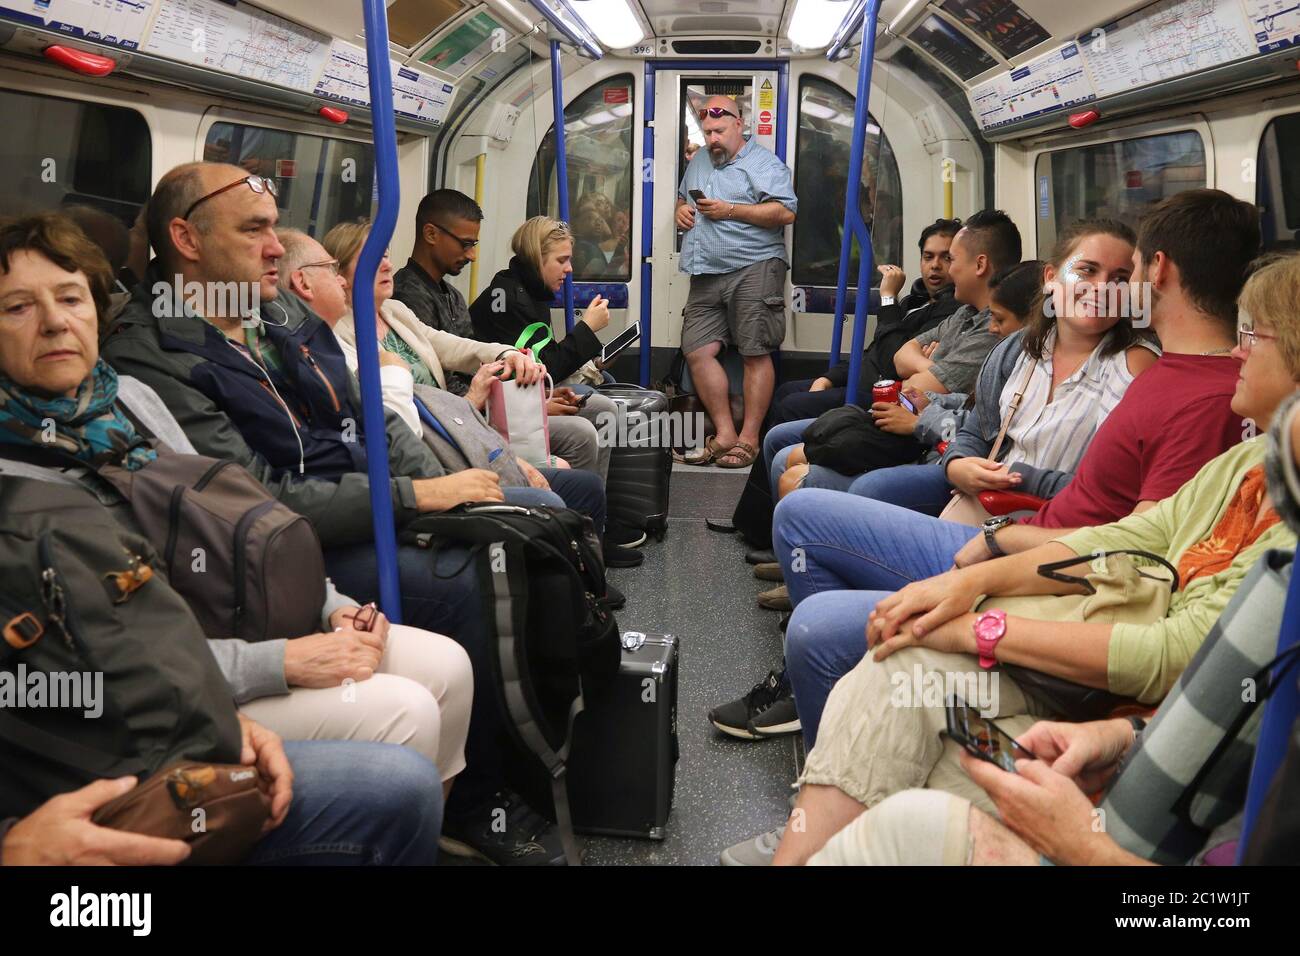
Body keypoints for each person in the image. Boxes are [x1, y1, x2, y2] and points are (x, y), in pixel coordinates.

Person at [99, 161, 568, 865]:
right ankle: (479, 799)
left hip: (351, 503)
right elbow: (252, 500)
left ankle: (547, 748)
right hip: (296, 539)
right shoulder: (154, 355)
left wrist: (434, 483)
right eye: (254, 230)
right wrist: (415, 500)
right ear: (185, 240)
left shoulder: (276, 318)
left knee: (535, 519)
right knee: (464, 571)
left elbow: (368, 413)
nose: (273, 248)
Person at [768, 250, 1300, 866]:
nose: (1237, 353)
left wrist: (983, 622)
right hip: (1057, 603)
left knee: (861, 642)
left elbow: (1173, 646)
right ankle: (815, 828)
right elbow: (1131, 534)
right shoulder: (1241, 464)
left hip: (1079, 631)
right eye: (1082, 271)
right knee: (899, 662)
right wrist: (974, 575)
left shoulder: (1149, 381)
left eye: (1251, 338)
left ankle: (828, 819)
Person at [0, 213, 443, 866]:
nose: (55, 321)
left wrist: (324, 605)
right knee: (402, 726)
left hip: (212, 648)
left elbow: (234, 517)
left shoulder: (132, 401)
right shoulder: (19, 483)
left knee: (445, 670)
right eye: (17, 307)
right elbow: (106, 663)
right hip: (141, 716)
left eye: (71, 298)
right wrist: (276, 666)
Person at [300, 223, 639, 568]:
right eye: (373, 259)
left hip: (461, 420)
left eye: (386, 255)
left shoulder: (395, 312)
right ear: (340, 274)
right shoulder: (339, 340)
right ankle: (569, 564)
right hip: (438, 440)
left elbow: (455, 347)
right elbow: (400, 424)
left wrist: (505, 355)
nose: (386, 264)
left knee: (583, 459)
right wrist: (474, 400)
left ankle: (584, 559)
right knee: (572, 461)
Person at [731, 210, 1020, 552]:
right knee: (785, 422)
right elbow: (896, 356)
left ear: (980, 265)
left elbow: (915, 384)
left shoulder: (987, 328)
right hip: (894, 399)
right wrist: (924, 366)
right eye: (929, 257)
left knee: (792, 444)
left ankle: (797, 557)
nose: (942, 268)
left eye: (951, 259)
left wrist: (917, 366)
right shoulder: (959, 312)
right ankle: (774, 543)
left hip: (916, 427)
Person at [672, 95, 798, 470]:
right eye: (707, 131)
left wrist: (730, 210)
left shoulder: (762, 163)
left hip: (753, 266)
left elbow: (785, 211)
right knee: (696, 350)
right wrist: (680, 211)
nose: (713, 138)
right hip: (705, 270)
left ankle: (749, 439)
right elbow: (682, 201)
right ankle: (725, 433)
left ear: (739, 124)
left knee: (754, 351)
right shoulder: (697, 161)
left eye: (720, 131)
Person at [390, 188, 483, 395]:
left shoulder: (453, 296)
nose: (472, 255)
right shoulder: (406, 295)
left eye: (474, 245)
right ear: (431, 234)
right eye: (465, 244)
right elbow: (439, 381)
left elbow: (472, 371)